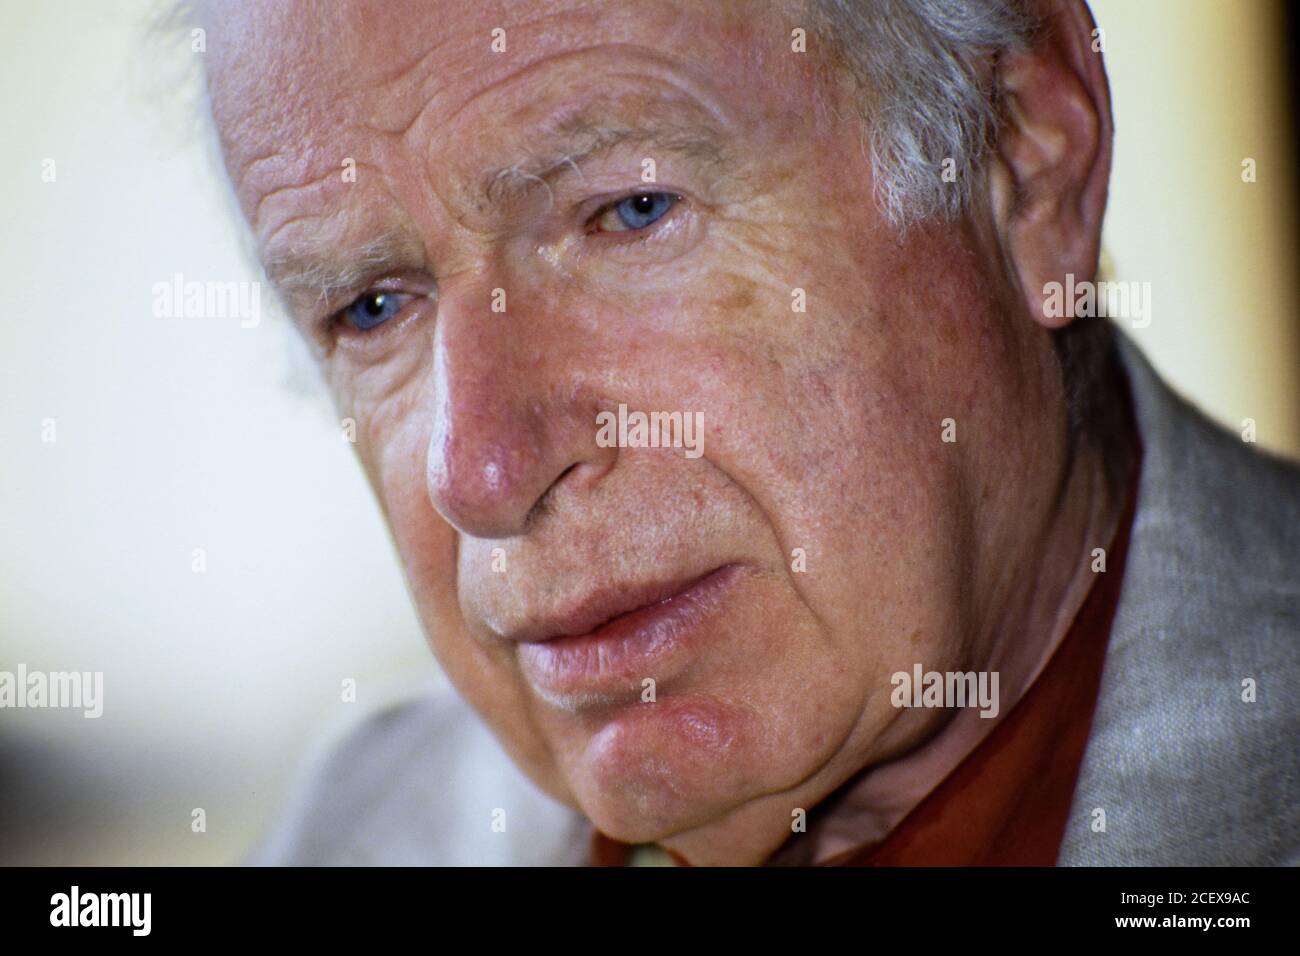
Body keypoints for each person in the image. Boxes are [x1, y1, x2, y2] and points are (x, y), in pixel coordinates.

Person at [195, 0, 1300, 865]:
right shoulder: (352, 827)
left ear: (1023, 161)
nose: (481, 472)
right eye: (371, 305)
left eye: (628, 212)